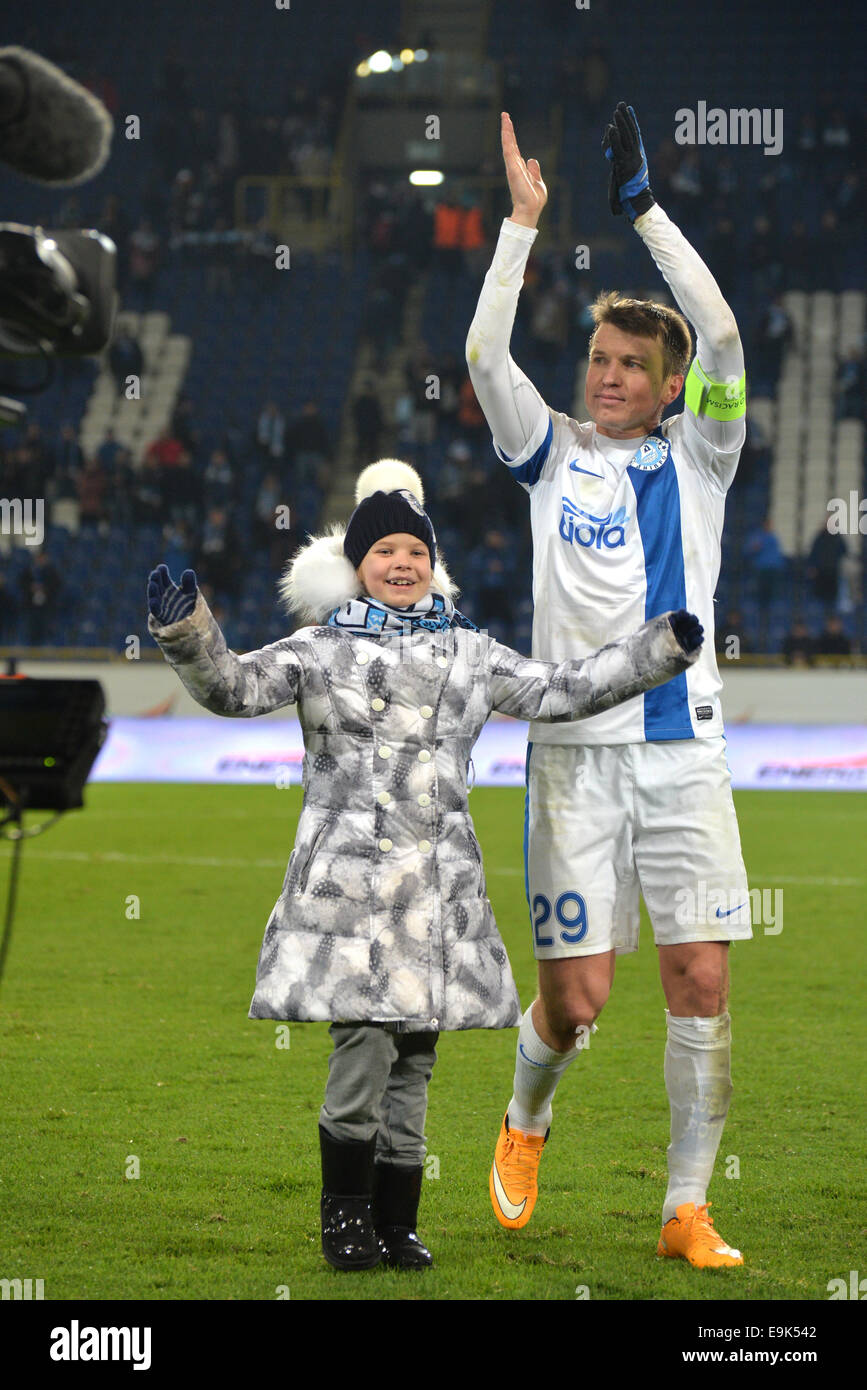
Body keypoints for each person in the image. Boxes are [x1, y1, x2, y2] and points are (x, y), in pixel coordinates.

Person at [146, 459, 703, 1273]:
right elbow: (234, 689)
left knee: (412, 1058)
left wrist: (660, 648)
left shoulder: (468, 651)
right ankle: (344, 1218)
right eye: (384, 552)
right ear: (356, 565)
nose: (402, 563)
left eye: (415, 551)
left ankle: (396, 1222)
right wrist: (189, 635)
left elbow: (563, 689)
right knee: (363, 1050)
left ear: (432, 564)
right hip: (348, 894)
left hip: (434, 894)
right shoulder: (319, 647)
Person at [466, 104, 752, 1268]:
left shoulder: (705, 456)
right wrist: (521, 226)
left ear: (672, 386)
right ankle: (526, 1112)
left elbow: (721, 333)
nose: (613, 375)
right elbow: (485, 359)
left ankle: (686, 1208)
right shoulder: (551, 454)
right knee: (578, 1000)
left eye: (635, 364)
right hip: (575, 760)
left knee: (700, 978)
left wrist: (643, 210)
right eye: (601, 360)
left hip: (686, 750)